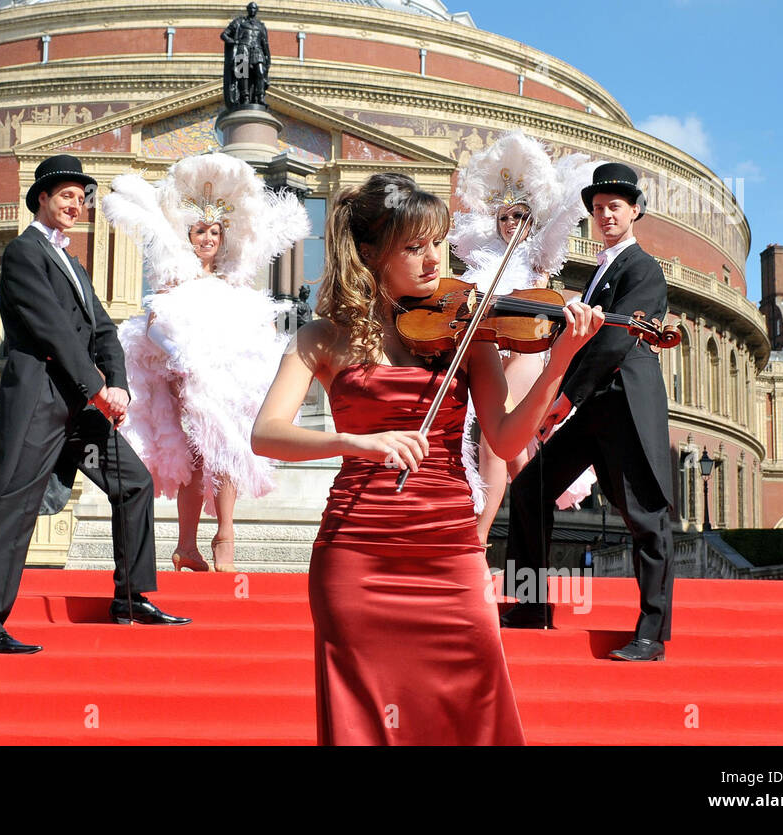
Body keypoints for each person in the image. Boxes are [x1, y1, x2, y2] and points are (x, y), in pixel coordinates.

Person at [251, 172, 604, 745]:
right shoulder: (324, 336)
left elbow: (509, 438)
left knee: (476, 708)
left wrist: (562, 357)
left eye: (437, 242)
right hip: (357, 552)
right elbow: (266, 434)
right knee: (365, 723)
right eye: (413, 247)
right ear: (370, 254)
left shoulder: (472, 327)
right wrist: (355, 442)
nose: (432, 260)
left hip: (450, 550)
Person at [0, 154, 189, 651]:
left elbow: (102, 329)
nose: (75, 204)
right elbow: (54, 331)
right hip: (41, 400)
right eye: (65, 194)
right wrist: (97, 386)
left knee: (134, 484)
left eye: (80, 197)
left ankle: (130, 598)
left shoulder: (73, 261)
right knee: (14, 504)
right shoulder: (23, 253)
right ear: (41, 198)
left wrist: (120, 383)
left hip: (82, 411)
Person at [500, 162, 676, 663]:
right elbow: (581, 340)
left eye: (614, 208)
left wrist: (563, 398)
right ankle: (533, 604)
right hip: (593, 405)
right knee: (531, 486)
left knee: (644, 516)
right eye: (598, 209)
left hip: (624, 404)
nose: (605, 216)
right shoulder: (599, 271)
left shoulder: (643, 268)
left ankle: (652, 632)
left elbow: (616, 338)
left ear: (635, 210)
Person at [103, 152, 308, 573]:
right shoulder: (173, 284)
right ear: (188, 236)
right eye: (200, 231)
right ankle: (186, 544)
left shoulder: (235, 287)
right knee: (196, 458)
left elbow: (260, 333)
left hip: (230, 381)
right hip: (186, 378)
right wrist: (182, 357)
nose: (207, 238)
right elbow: (156, 327)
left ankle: (225, 534)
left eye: (214, 232)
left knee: (229, 451)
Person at [449, 131, 601, 543]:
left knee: (496, 446)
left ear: (530, 220)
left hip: (522, 355)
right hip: (486, 355)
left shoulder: (536, 258)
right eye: (504, 217)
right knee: (514, 453)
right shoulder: (481, 258)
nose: (510, 224)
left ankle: (477, 542)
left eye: (518, 216)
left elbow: (539, 308)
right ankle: (532, 534)